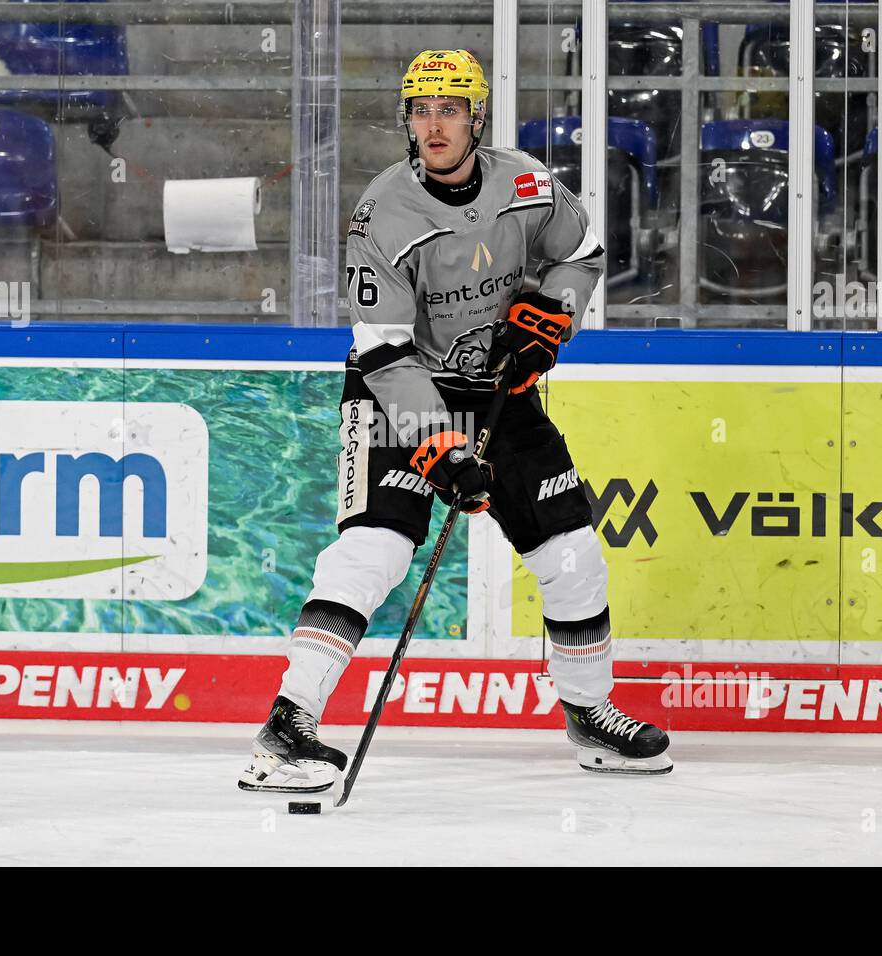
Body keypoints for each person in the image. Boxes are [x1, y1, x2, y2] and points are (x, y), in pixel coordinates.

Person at [239, 49, 672, 793]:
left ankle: (590, 712)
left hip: (498, 391)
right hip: (393, 392)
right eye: (420, 109)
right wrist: (438, 447)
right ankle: (287, 726)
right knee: (372, 553)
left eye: (449, 109)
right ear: (407, 120)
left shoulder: (527, 183)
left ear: (476, 117)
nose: (433, 124)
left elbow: (582, 254)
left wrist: (550, 321)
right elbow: (384, 351)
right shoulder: (381, 214)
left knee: (572, 555)